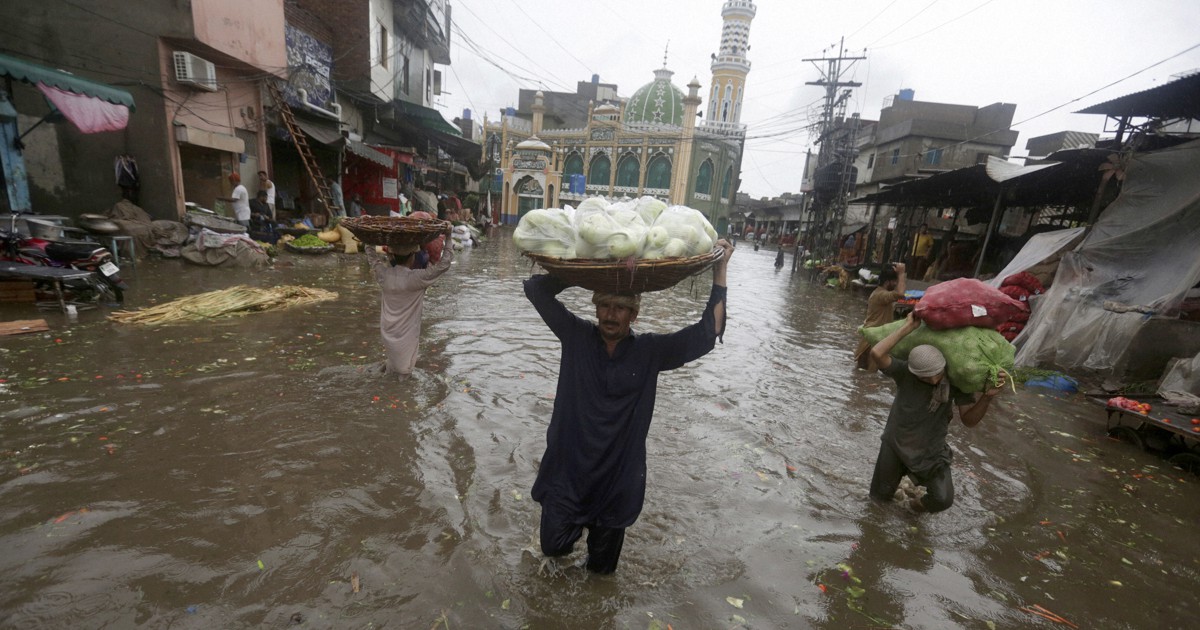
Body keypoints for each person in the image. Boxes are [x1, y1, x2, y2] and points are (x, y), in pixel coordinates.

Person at [523, 240, 733, 574]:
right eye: (604, 305)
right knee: (552, 549)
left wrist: (720, 270)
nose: (610, 314)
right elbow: (535, 289)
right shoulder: (575, 335)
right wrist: (589, 271)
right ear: (595, 309)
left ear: (634, 315)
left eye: (620, 308)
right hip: (569, 472)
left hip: (617, 480)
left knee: (601, 575)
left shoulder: (651, 351)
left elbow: (710, 333)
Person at [867, 312, 1006, 513]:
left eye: (937, 375)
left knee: (943, 499)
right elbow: (877, 354)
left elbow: (969, 420)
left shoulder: (956, 382)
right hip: (895, 444)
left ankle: (910, 508)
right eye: (925, 378)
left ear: (944, 368)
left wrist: (988, 396)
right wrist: (907, 328)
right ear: (914, 372)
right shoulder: (904, 373)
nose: (933, 381)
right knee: (878, 500)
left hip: (931, 451)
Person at [365, 226, 455, 378]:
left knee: (393, 366)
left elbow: (372, 258)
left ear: (391, 256)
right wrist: (449, 236)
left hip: (387, 332)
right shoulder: (417, 278)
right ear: (412, 257)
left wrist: (369, 239)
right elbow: (444, 264)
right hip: (406, 336)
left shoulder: (384, 275)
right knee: (404, 373)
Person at [854, 262, 906, 370]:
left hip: (872, 338)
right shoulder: (881, 295)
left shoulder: (879, 293)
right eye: (894, 281)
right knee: (869, 375)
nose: (896, 284)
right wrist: (901, 274)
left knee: (863, 374)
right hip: (873, 340)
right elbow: (900, 294)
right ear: (887, 282)